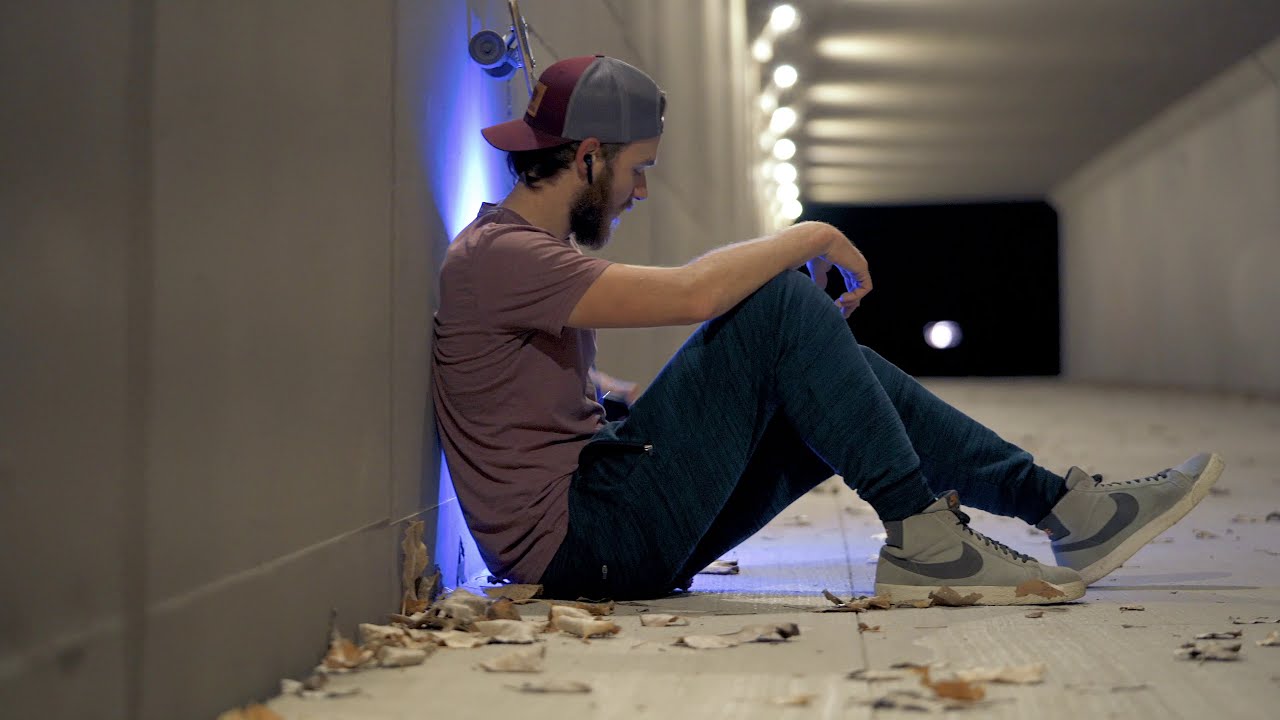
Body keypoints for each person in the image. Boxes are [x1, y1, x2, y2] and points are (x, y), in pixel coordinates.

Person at [431, 55, 1225, 605]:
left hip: (601, 523)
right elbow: (694, 293)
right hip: (587, 545)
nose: (638, 192)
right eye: (638, 170)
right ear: (591, 157)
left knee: (825, 384)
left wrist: (620, 394)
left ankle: (1061, 511)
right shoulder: (503, 255)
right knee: (776, 306)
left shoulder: (509, 257)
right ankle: (929, 534)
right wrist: (810, 234)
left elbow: (513, 378)